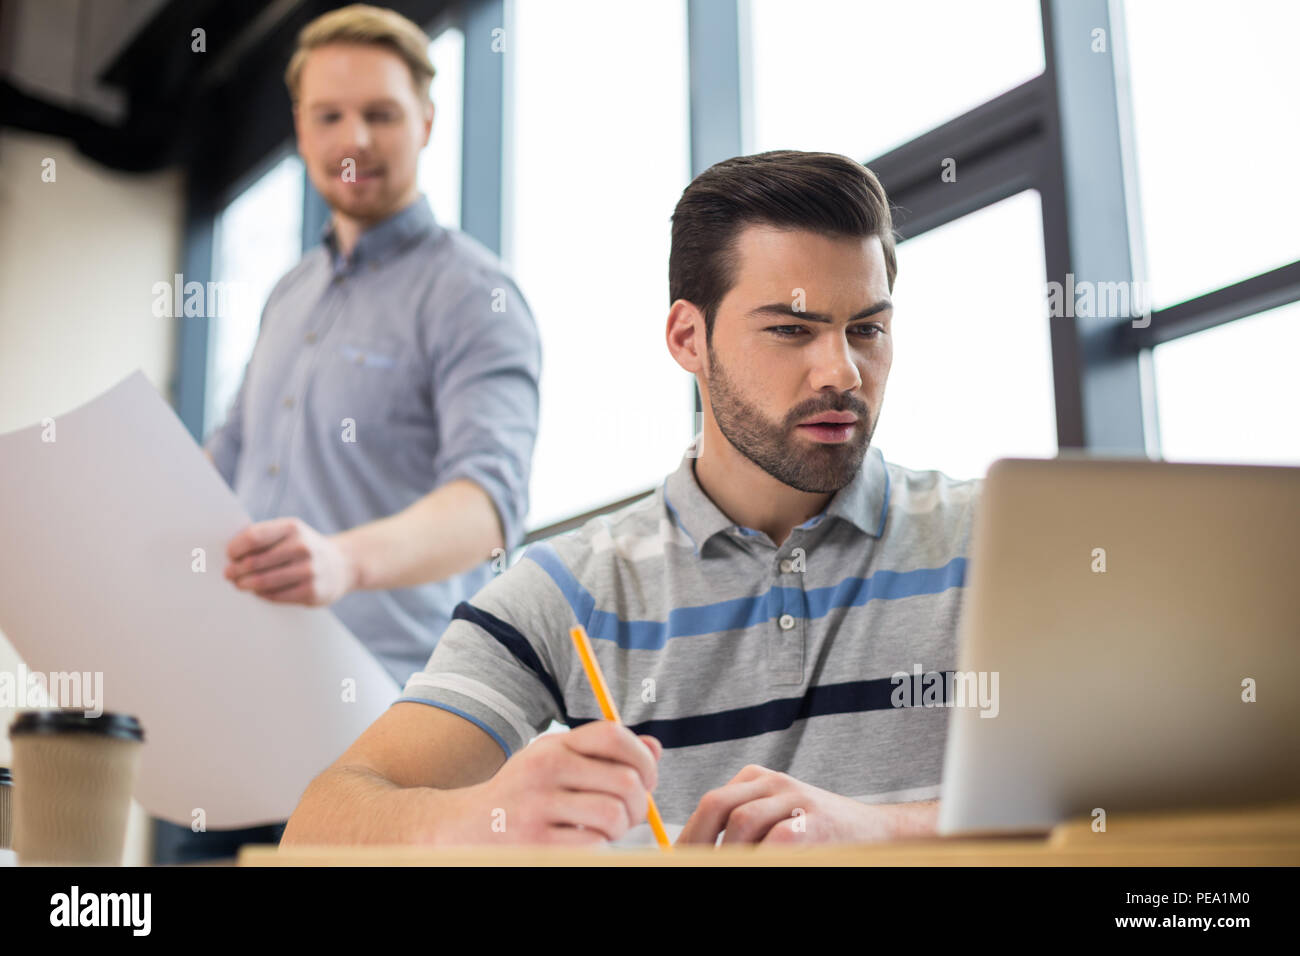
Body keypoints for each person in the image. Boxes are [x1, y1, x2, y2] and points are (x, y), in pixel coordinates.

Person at [282, 150, 979, 849]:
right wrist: (484, 814)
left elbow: (1093, 806)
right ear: (688, 338)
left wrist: (877, 830)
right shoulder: (568, 590)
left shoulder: (993, 542)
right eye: (792, 329)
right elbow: (315, 832)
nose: (842, 371)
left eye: (867, 329)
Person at [163, 5, 540, 862]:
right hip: (233, 712)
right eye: (330, 114)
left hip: (383, 727)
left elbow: (486, 505)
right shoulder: (287, 297)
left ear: (427, 122)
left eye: (381, 113)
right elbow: (223, 468)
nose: (354, 138)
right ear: (300, 127)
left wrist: (343, 560)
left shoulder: (473, 295)